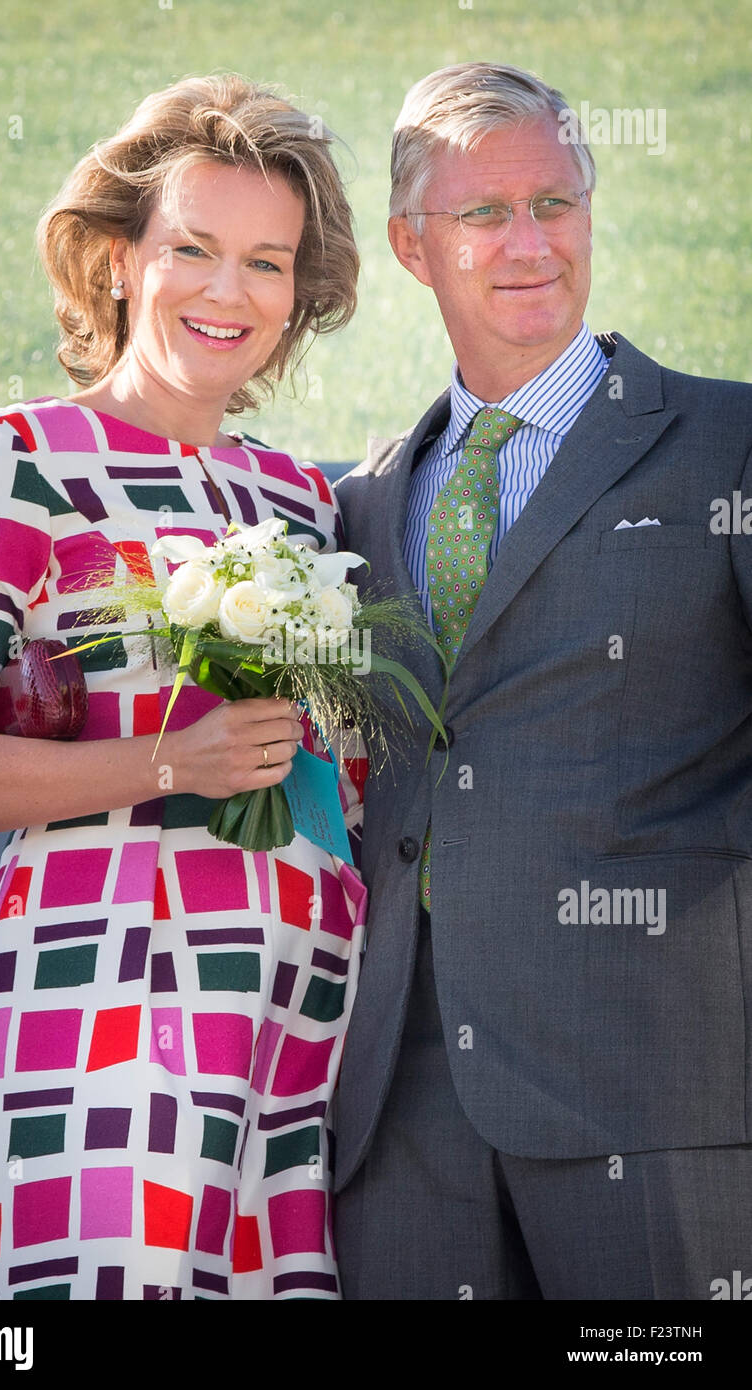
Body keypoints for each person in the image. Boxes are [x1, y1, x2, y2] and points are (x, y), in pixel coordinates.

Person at [0, 73, 367, 1301]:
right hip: (100, 997)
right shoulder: (23, 459)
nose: (227, 291)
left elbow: (340, 773)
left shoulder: (305, 498)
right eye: (192, 249)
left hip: (294, 1013)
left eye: (267, 262)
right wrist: (170, 764)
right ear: (115, 259)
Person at [333, 61, 752, 1300]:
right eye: (485, 214)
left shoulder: (728, 444)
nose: (532, 243)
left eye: (556, 204)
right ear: (415, 247)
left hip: (657, 1098)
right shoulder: (360, 503)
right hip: (402, 1122)